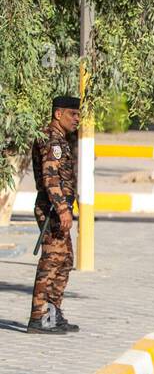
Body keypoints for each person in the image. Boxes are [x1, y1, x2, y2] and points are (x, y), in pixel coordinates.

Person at [27, 96, 81, 335]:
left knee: (65, 260)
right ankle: (38, 317)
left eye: (78, 115)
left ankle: (52, 314)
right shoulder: (50, 139)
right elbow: (50, 178)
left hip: (61, 209)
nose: (77, 119)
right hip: (52, 209)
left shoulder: (61, 139)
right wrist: (61, 208)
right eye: (73, 114)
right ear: (58, 114)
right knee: (51, 261)